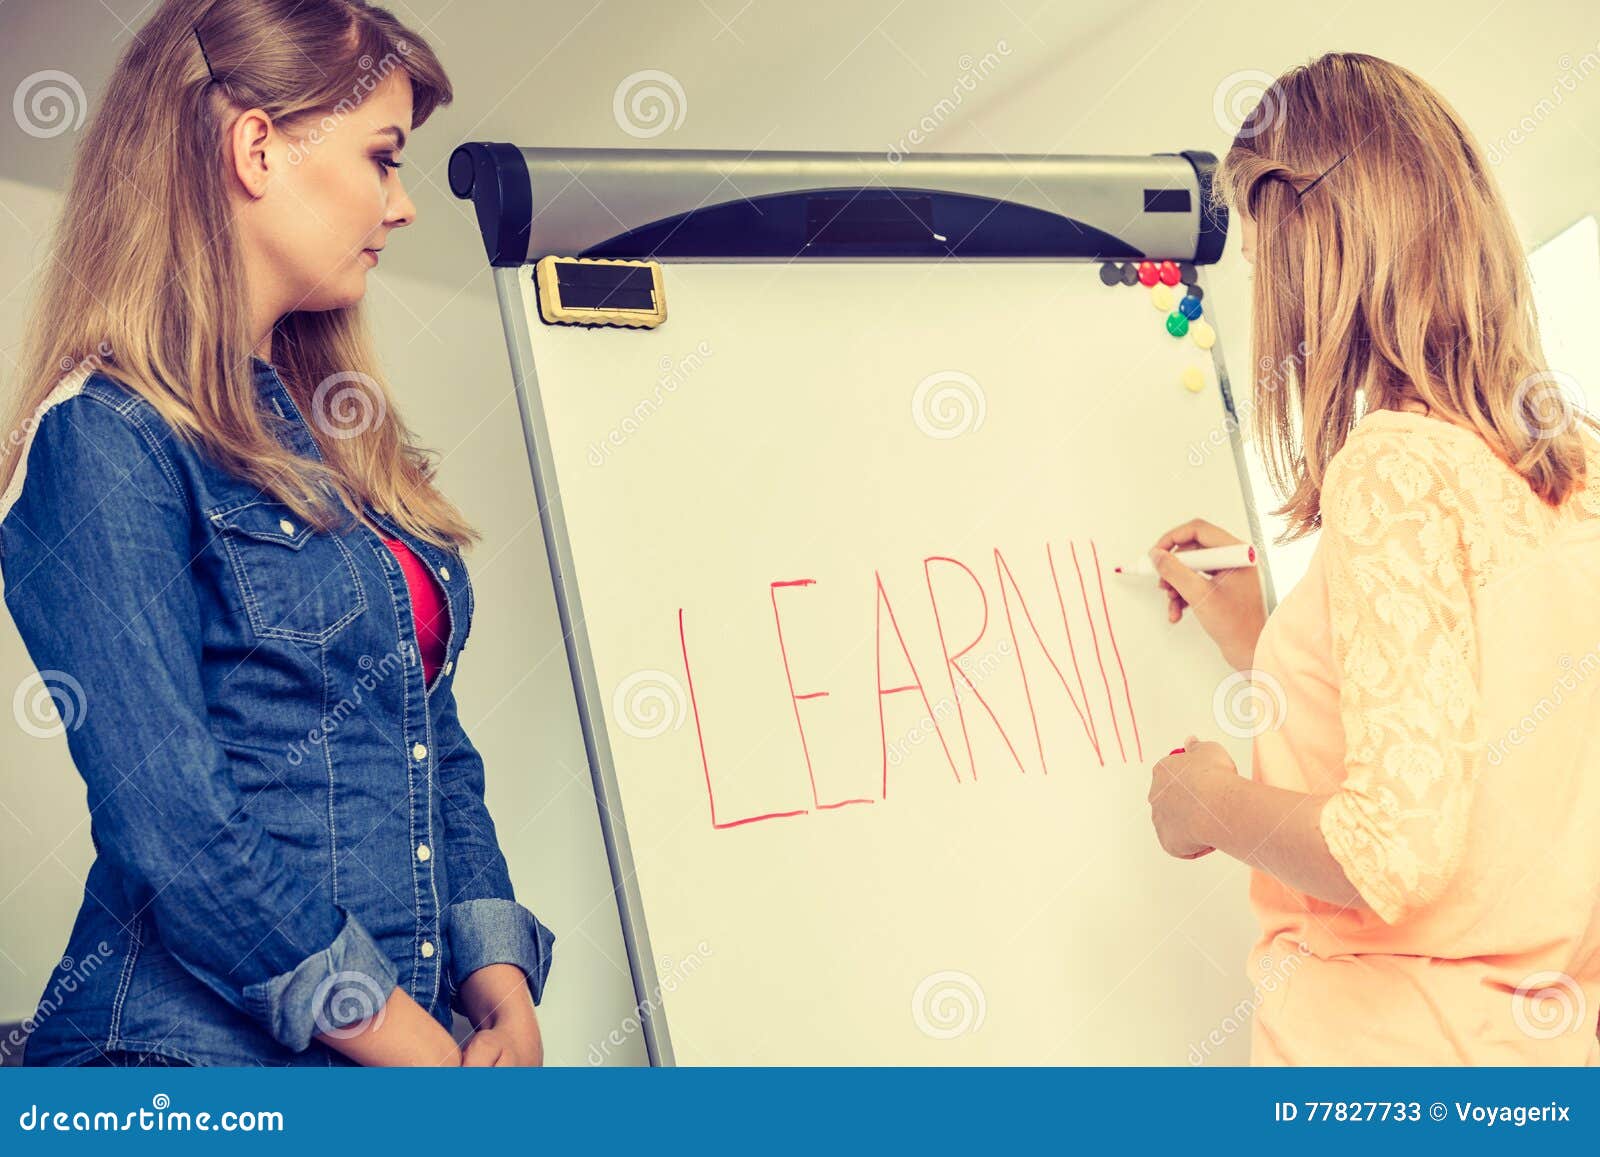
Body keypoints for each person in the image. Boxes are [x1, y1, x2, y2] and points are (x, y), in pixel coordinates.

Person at [1, 0, 553, 1066]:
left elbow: (429, 743)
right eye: (382, 159)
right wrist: (418, 1047)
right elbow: (174, 828)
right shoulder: (102, 436)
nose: (399, 207)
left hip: (404, 1054)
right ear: (256, 146)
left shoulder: (338, 439)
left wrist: (500, 992)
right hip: (182, 1064)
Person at [1144, 52, 1600, 1064]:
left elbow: (1394, 849)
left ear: (1313, 247)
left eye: (1265, 255)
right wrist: (1273, 643)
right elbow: (1486, 750)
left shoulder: (1390, 468)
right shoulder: (1571, 470)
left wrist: (1201, 801)